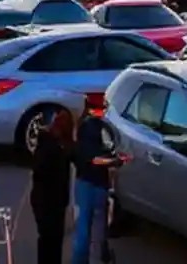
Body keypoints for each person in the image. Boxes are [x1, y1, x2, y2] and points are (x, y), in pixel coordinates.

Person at [71, 93, 127, 264]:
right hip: (91, 185)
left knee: (89, 229)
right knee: (90, 232)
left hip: (90, 184)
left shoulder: (86, 126)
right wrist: (116, 161)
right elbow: (94, 159)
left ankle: (95, 258)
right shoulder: (90, 128)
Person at [30, 109, 74, 264]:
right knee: (52, 242)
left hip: (46, 201)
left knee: (47, 240)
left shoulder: (48, 145)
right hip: (51, 202)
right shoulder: (54, 149)